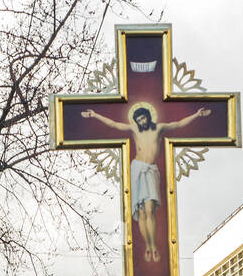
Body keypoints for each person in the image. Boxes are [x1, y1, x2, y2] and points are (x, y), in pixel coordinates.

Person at [79, 104, 211, 263]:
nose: (142, 122)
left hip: (150, 171)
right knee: (141, 211)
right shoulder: (135, 130)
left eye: (143, 118)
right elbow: (114, 124)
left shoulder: (159, 128)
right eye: (139, 120)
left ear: (148, 116)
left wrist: (196, 115)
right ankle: (148, 246)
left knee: (150, 209)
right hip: (137, 169)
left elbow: (178, 124)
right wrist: (95, 115)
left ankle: (153, 245)